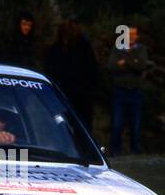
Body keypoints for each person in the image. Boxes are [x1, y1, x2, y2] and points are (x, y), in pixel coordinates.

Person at [43, 17, 99, 131]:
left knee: (80, 127)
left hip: (80, 96)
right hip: (63, 94)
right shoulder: (56, 48)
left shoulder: (83, 47)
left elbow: (91, 71)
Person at [107, 24, 152, 154]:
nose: (131, 37)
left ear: (137, 36)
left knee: (135, 125)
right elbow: (111, 67)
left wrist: (125, 62)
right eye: (129, 34)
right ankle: (115, 153)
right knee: (117, 124)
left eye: (133, 34)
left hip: (135, 91)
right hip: (119, 91)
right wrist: (134, 62)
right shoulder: (117, 48)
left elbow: (142, 66)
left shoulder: (142, 49)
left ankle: (135, 152)